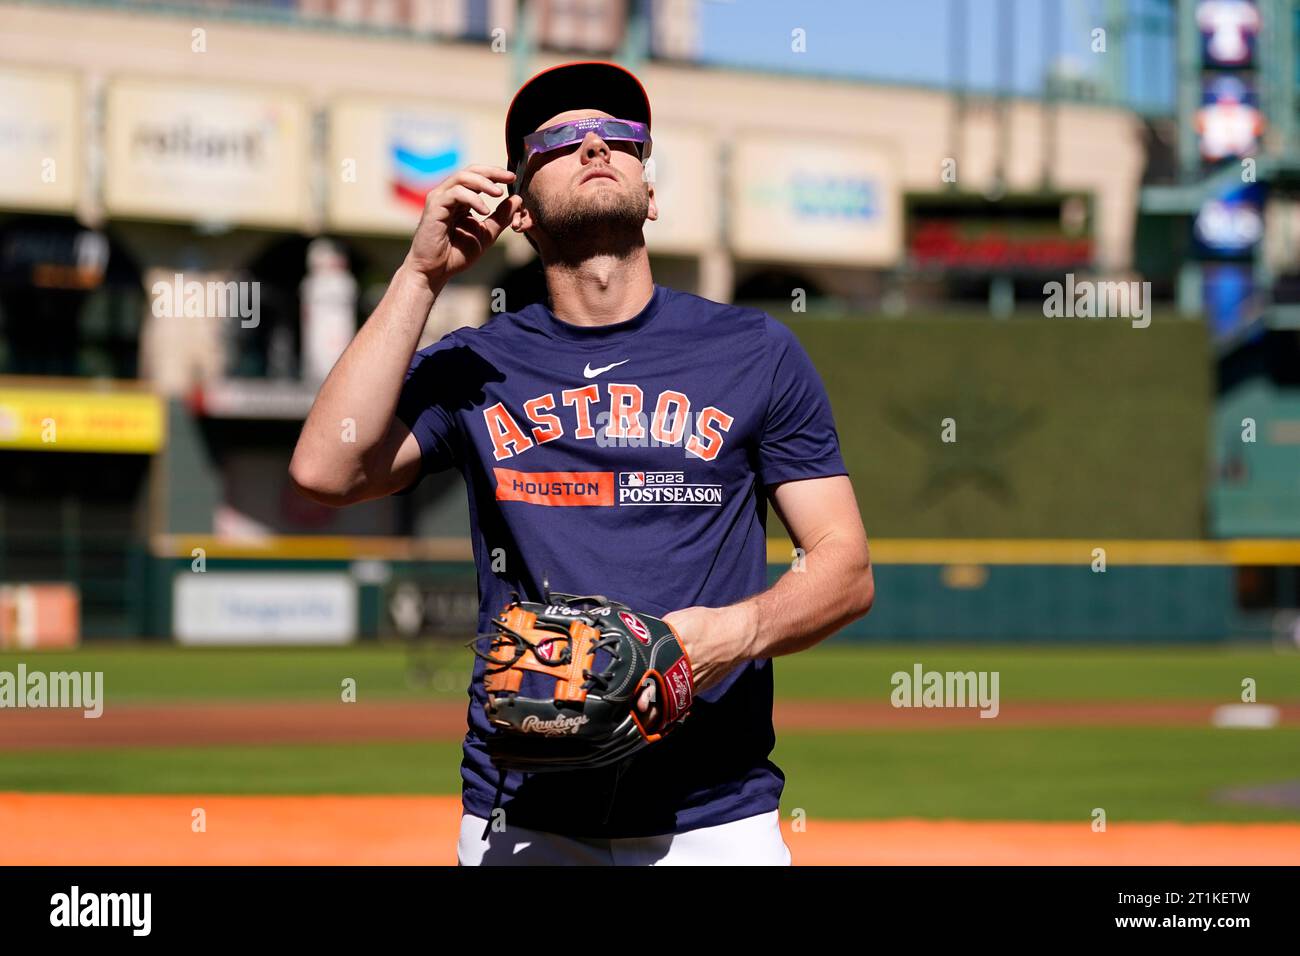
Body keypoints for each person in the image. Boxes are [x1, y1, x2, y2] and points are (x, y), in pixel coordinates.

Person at [289, 61, 874, 865]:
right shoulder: (475, 364)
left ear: (650, 190)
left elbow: (845, 567)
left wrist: (728, 634)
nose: (595, 143)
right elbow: (326, 469)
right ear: (518, 207)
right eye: (560, 138)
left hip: (716, 819)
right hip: (522, 815)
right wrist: (420, 276)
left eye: (622, 137)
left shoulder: (754, 351)